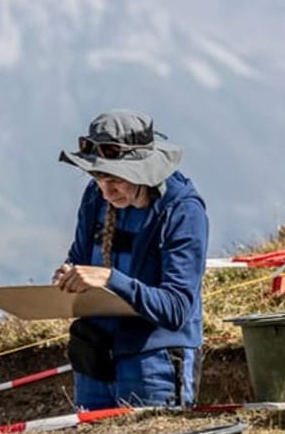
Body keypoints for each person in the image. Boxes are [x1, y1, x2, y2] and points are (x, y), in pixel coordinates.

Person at [52, 109, 208, 409]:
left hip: (156, 363)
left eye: (115, 181)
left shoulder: (182, 210)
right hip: (94, 358)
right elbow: (79, 258)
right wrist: (68, 277)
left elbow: (176, 309)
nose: (106, 192)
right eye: (98, 179)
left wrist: (110, 278)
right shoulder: (95, 198)